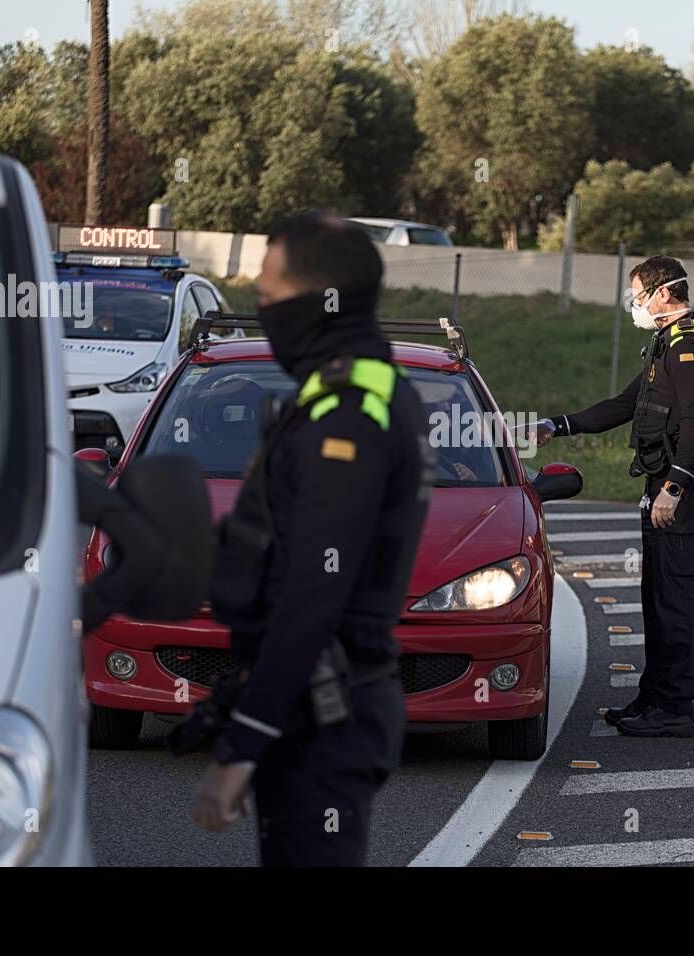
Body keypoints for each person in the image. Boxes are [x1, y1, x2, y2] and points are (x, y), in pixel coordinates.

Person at [189, 212, 432, 866]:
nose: (262, 308)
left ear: (318, 299)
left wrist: (246, 742)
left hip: (328, 717)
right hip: (318, 709)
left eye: (269, 295)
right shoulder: (351, 391)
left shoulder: (350, 412)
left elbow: (314, 592)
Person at [537, 255, 694, 737]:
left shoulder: (689, 346)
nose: (635, 304)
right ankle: (653, 697)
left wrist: (675, 486)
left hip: (683, 485)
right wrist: (556, 426)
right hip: (664, 481)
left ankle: (674, 709)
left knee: (677, 600)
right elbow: (626, 404)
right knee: (657, 596)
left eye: (639, 294)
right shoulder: (664, 343)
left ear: (664, 293)